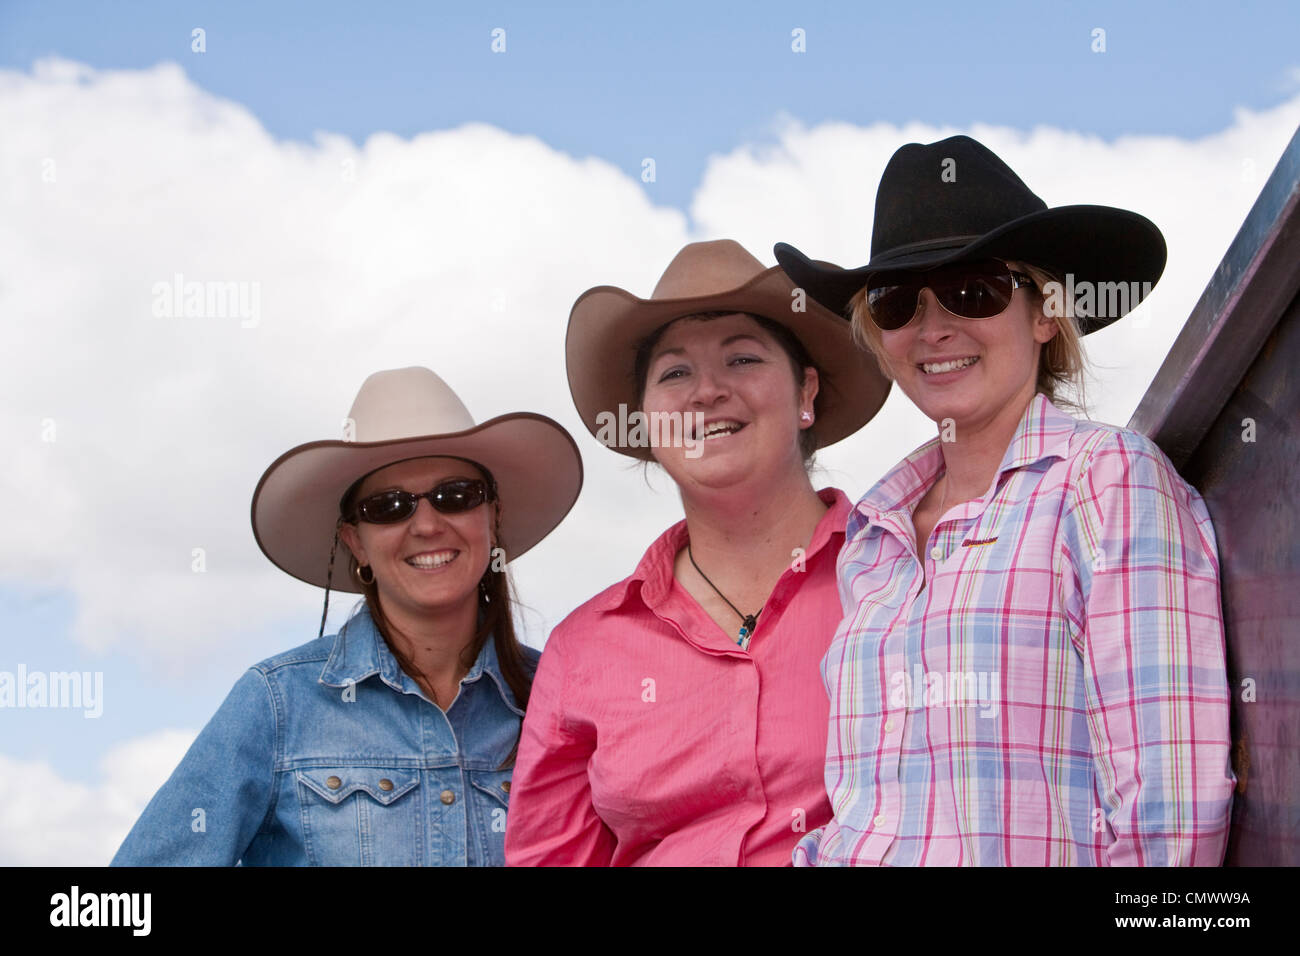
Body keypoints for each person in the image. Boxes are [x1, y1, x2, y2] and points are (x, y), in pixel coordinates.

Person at [774, 135, 1236, 866]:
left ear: (1046, 314)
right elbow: (867, 811)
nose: (933, 329)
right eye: (898, 304)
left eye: (973, 292)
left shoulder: (1106, 483)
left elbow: (1171, 819)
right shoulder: (872, 540)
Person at [504, 239, 890, 865]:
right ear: (648, 421)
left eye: (742, 359)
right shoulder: (583, 650)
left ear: (805, 393)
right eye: (676, 372)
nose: (707, 391)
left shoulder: (902, 578)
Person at [111, 366, 583, 866]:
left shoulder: (563, 701)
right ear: (355, 540)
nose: (426, 524)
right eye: (388, 506)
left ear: (492, 516)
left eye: (455, 496)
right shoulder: (277, 704)